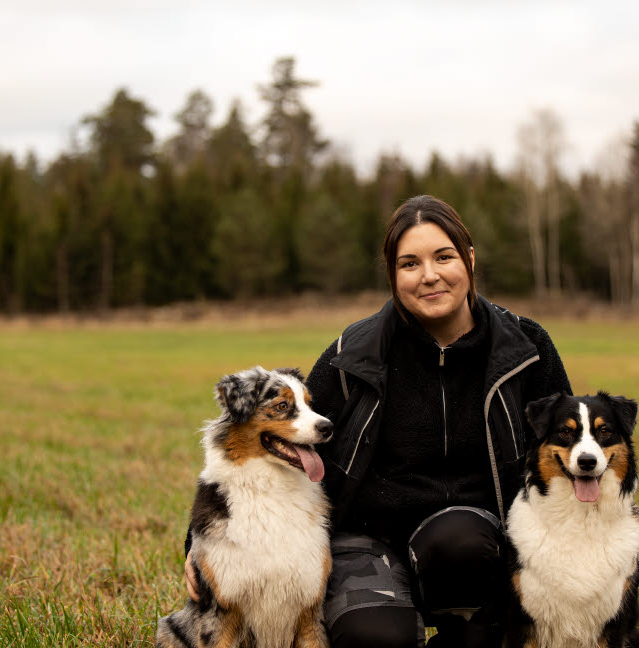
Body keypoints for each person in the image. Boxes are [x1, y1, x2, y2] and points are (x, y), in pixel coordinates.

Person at [187, 195, 571, 647]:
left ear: (469, 258)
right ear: (392, 275)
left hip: (476, 543)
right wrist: (199, 546)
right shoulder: (353, 353)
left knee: (459, 540)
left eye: (443, 257)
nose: (429, 275)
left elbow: (572, 449)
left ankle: (463, 630)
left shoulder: (526, 347)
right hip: (368, 540)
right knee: (374, 638)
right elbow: (255, 450)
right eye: (409, 264)